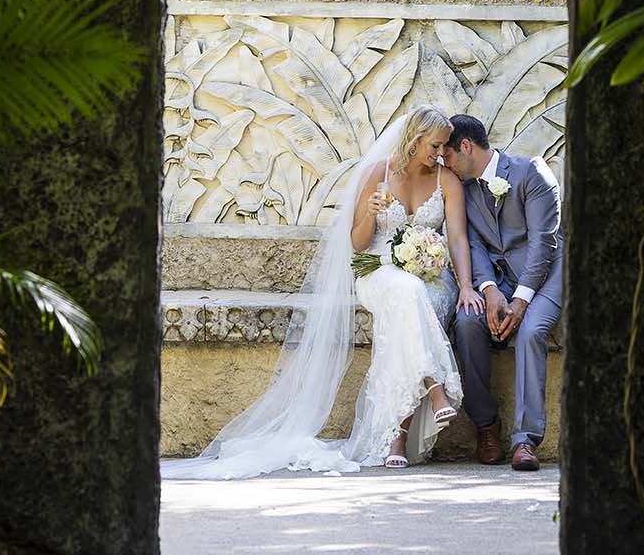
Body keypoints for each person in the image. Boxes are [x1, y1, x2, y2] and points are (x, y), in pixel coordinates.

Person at [160, 105, 477, 477]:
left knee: (409, 300)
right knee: (405, 293)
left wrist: (467, 286)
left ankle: (397, 438)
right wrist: (372, 213)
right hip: (377, 271)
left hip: (430, 279)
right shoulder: (379, 173)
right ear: (415, 139)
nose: (440, 154)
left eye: (443, 148)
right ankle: (434, 387)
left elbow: (456, 237)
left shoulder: (447, 181)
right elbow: (358, 244)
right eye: (435, 146)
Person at [439, 113, 564, 472]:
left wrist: (521, 301)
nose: (445, 165)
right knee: (467, 321)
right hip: (497, 278)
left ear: (465, 147)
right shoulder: (462, 188)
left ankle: (526, 440)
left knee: (530, 332)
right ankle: (486, 426)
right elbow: (472, 242)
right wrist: (489, 290)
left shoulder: (532, 173)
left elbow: (544, 242)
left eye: (447, 157)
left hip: (547, 274)